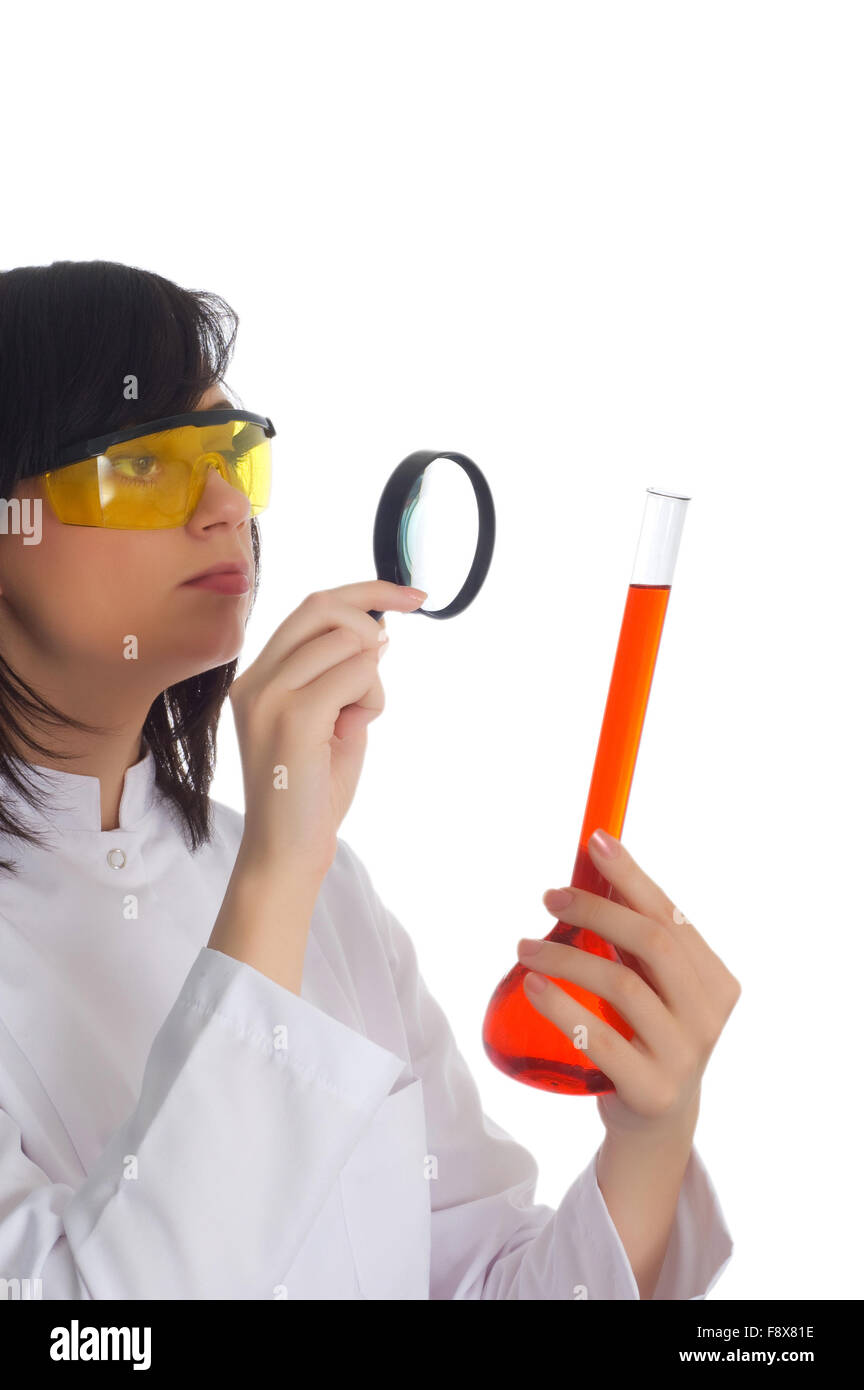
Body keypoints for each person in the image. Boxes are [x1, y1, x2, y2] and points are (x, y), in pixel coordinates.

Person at [0, 260, 739, 1301]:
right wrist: (271, 881)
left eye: (232, 455)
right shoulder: (289, 873)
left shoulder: (323, 884)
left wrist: (651, 1141)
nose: (222, 508)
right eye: (146, 463)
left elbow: (477, 1282)